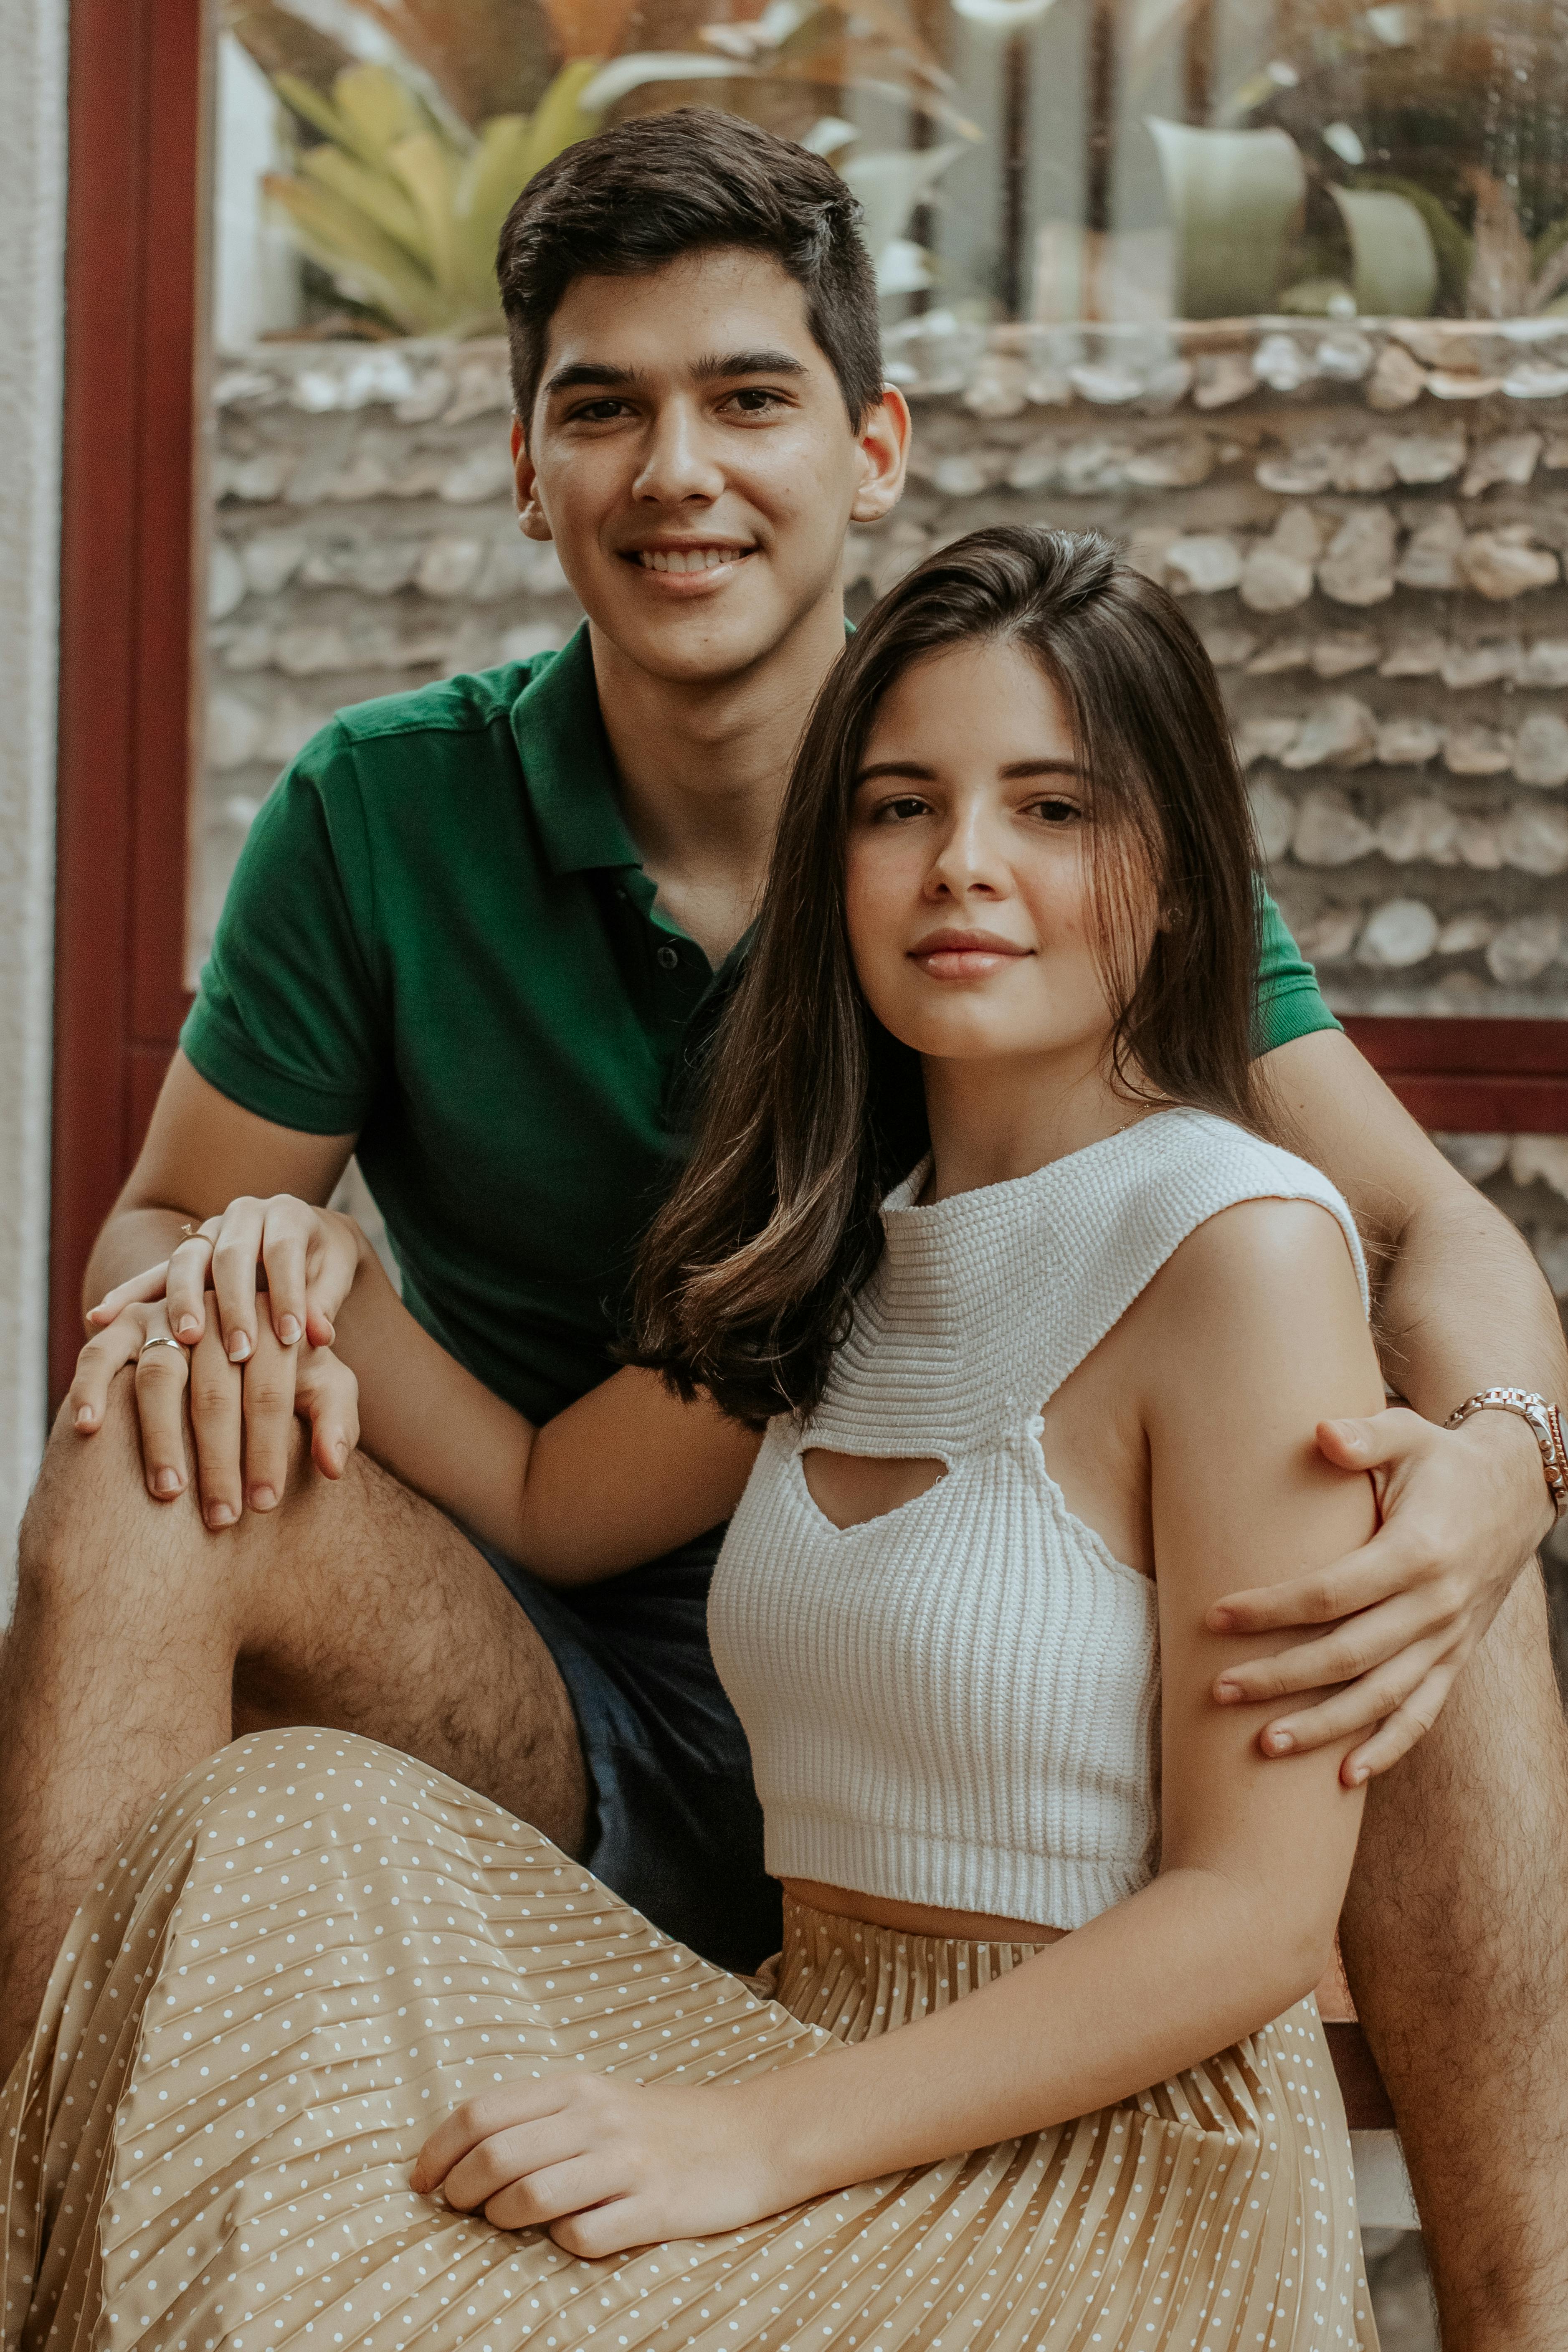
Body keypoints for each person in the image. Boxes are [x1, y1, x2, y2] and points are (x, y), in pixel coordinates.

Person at [3, 109, 1566, 2346]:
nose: (678, 474)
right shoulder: (446, 870)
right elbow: (399, 1383)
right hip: (572, 1657)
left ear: (872, 443)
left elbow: (1428, 1230)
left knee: (1407, 1538)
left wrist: (1504, 1455)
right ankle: (71, 2248)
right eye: (604, 408)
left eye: (749, 397)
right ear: (529, 467)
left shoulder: (1046, 836)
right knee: (149, 1437)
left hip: (1014, 1736)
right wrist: (256, 1269)